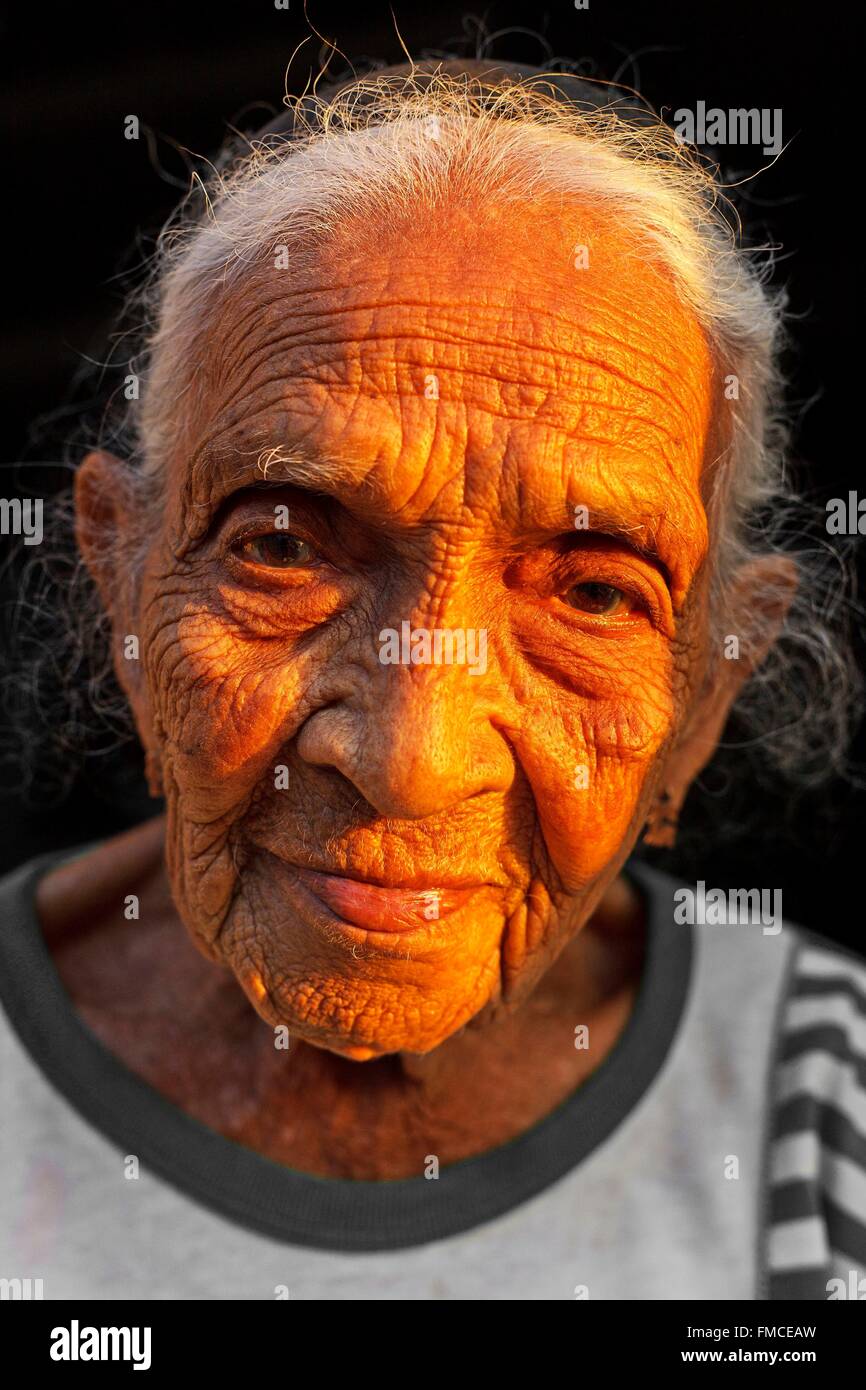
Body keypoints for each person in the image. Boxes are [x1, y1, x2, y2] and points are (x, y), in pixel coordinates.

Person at [1, 59, 864, 1301]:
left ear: (697, 705)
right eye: (284, 547)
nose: (410, 760)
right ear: (123, 588)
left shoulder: (820, 1111)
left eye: (589, 594)